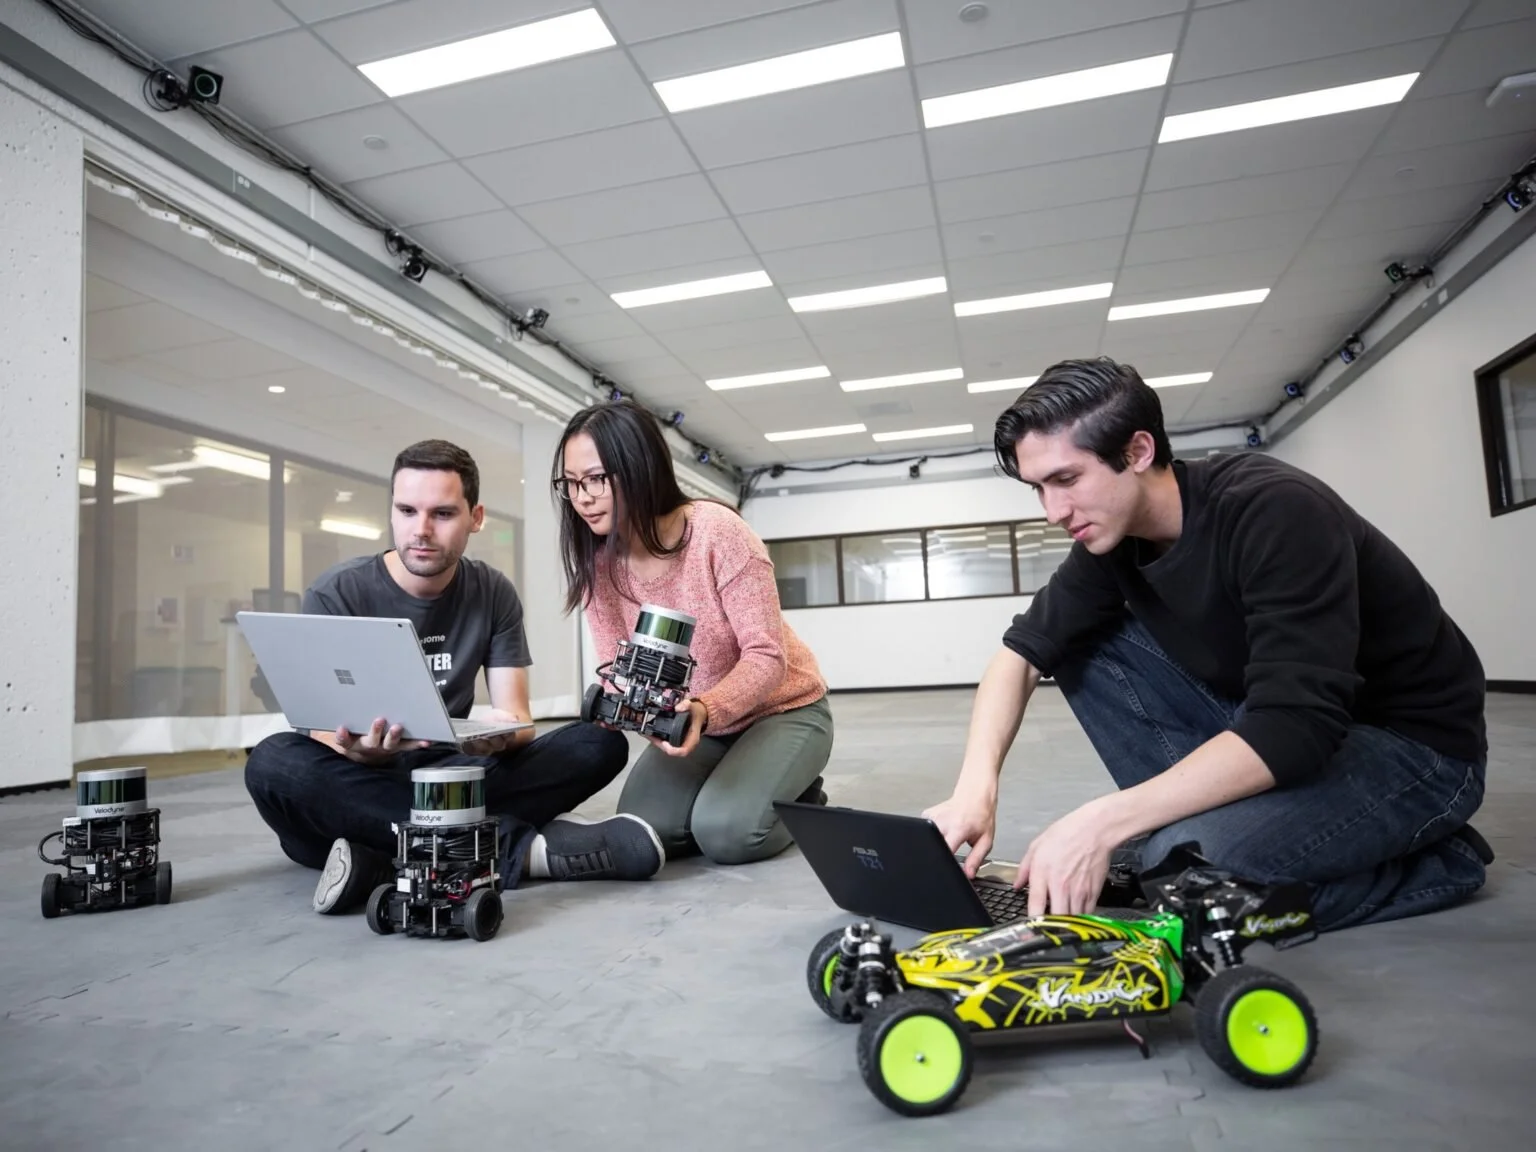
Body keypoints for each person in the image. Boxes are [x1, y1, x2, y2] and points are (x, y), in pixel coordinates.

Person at [924, 357, 1493, 933]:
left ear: (1139, 451)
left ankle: (1430, 863)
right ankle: (1184, 839)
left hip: (1415, 751)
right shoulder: (1112, 540)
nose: (1052, 512)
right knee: (1075, 650)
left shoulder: (1274, 510)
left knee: (1184, 881)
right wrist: (976, 790)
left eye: (1067, 480)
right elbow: (1019, 656)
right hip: (1281, 730)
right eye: (1039, 488)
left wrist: (1102, 822)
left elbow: (1297, 725)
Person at [244, 438, 664, 915]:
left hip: (450, 775)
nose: (420, 530)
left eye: (442, 514)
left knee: (599, 742)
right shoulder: (338, 592)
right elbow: (319, 732)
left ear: (475, 517)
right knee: (273, 761)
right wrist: (357, 750)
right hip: (352, 787)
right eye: (406, 510)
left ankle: (387, 862)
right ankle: (514, 851)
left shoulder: (492, 591)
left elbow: (518, 720)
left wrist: (496, 736)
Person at [553, 399, 834, 865]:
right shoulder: (598, 564)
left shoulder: (718, 533)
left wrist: (706, 709)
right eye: (571, 483)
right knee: (647, 829)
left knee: (727, 834)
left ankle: (803, 801)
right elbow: (616, 672)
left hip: (782, 709)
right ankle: (743, 783)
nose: (582, 497)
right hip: (696, 724)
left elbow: (766, 655)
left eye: (596, 479)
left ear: (639, 468)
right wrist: (627, 710)